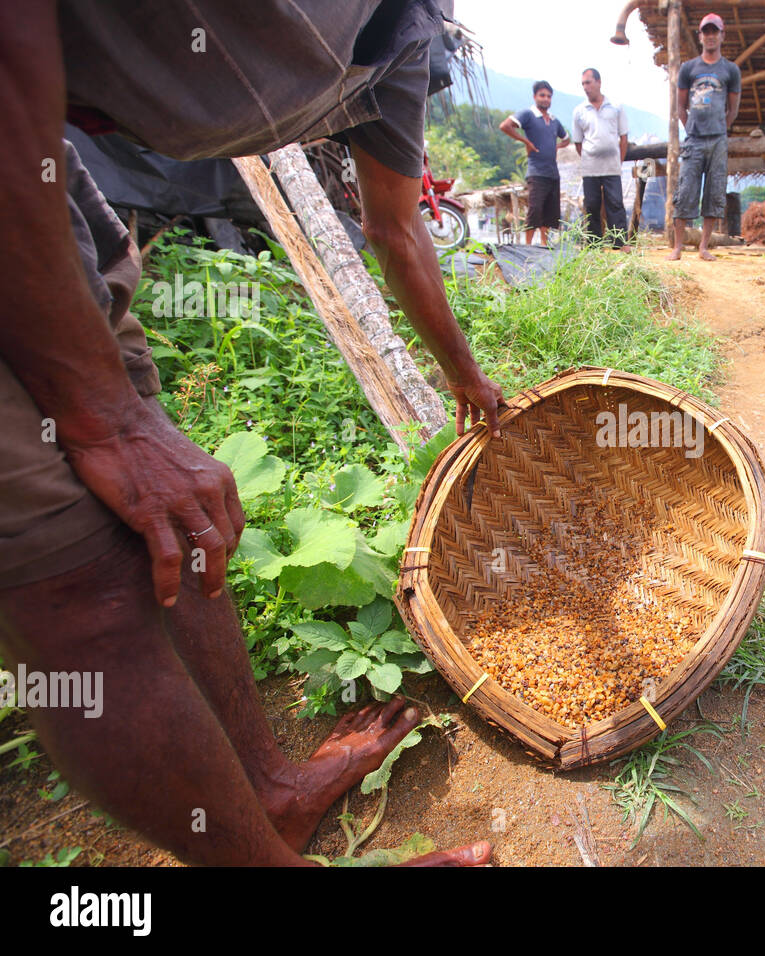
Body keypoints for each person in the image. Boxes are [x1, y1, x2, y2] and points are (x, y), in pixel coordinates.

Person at [0, 1, 504, 867]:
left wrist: (464, 372)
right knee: (76, 586)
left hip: (40, 176)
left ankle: (270, 794)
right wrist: (99, 415)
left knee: (179, 515)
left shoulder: (411, 38)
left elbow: (396, 225)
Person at [668, 13, 740, 262]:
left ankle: (703, 247)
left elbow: (733, 110)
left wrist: (720, 128)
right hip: (694, 140)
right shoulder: (689, 68)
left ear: (722, 35)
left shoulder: (731, 70)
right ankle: (677, 247)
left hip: (718, 139)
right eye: (706, 32)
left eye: (714, 32)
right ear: (700, 36)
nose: (710, 36)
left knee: (715, 191)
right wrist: (692, 129)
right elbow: (680, 106)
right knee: (685, 189)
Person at [499, 80, 570, 246]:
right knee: (535, 209)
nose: (545, 99)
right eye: (542, 95)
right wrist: (526, 142)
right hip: (536, 171)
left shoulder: (554, 121)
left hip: (553, 172)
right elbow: (505, 126)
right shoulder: (528, 115)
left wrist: (555, 147)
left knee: (549, 211)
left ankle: (544, 245)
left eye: (549, 96)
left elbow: (566, 139)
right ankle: (528, 246)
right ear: (535, 96)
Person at [571, 68, 630, 250]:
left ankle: (619, 243)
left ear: (598, 82)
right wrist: (590, 156)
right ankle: (595, 244)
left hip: (612, 166)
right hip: (590, 167)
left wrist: (618, 160)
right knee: (592, 205)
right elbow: (578, 142)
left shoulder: (616, 107)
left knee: (615, 203)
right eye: (583, 84)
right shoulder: (579, 111)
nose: (585, 87)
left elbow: (623, 137)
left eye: (588, 82)